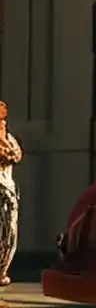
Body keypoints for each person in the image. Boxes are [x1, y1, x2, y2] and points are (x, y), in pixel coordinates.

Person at [0, 101, 19, 292]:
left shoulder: (9, 139)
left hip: (7, 192)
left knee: (8, 234)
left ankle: (1, 271)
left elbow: (14, 155)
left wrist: (3, 139)